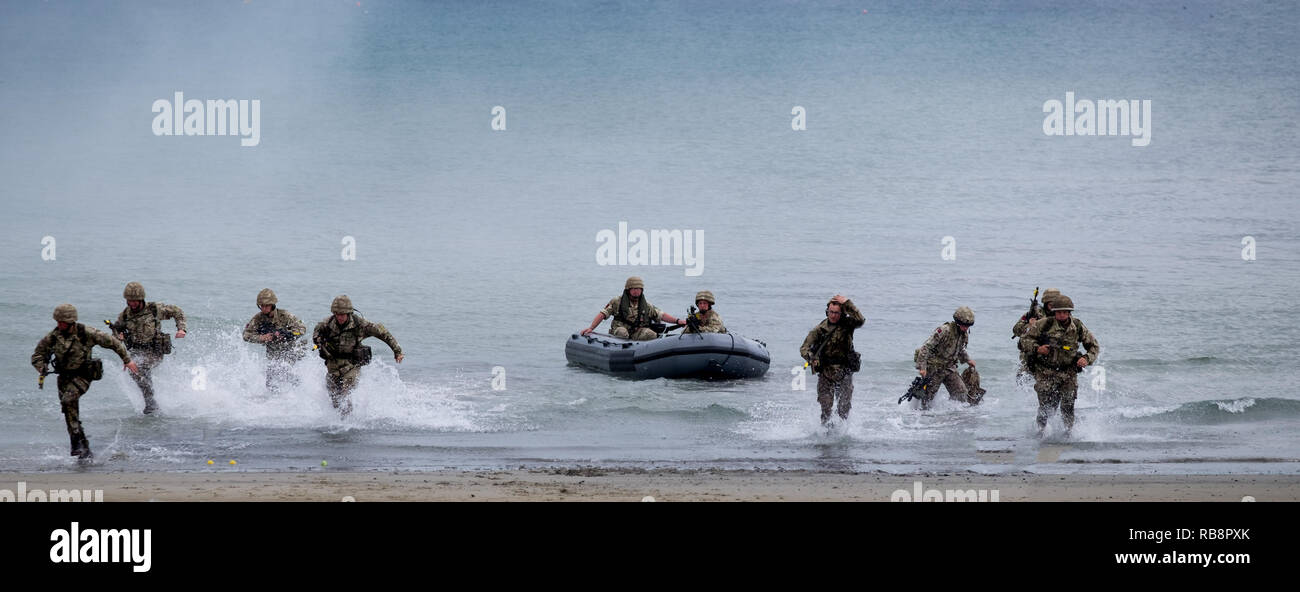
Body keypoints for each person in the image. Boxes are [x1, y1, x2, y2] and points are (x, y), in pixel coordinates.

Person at [32, 304, 139, 459]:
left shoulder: (86, 333)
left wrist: (127, 360)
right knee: (69, 411)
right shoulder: (53, 337)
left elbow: (113, 343)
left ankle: (75, 443)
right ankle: (85, 450)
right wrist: (41, 366)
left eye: (62, 322)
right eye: (57, 321)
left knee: (68, 400)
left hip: (83, 376)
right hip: (63, 378)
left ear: (70, 321)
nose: (59, 325)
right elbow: (37, 355)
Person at [1019, 295, 1101, 437]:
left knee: (1068, 406)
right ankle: (1040, 431)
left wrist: (1086, 359)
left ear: (1069, 313)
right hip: (1045, 371)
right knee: (1046, 407)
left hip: (1068, 372)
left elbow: (1094, 346)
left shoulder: (1078, 326)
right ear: (1054, 312)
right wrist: (1037, 348)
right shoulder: (1044, 324)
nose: (1061, 315)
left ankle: (1069, 432)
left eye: (1064, 312)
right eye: (1058, 312)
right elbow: (1023, 341)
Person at [312, 295, 404, 416]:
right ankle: (338, 421)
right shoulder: (326, 324)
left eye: (342, 314)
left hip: (352, 365)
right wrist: (319, 340)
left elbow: (383, 333)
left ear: (349, 313)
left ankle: (348, 421)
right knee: (333, 395)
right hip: (333, 365)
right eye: (337, 314)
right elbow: (315, 335)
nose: (339, 317)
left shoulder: (361, 324)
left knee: (345, 392)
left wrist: (397, 351)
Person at [109, 281, 185, 414]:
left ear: (141, 299)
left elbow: (177, 312)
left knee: (140, 367)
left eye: (134, 301)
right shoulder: (125, 315)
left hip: (155, 350)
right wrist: (118, 337)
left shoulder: (154, 310)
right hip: (136, 351)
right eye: (129, 300)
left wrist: (181, 329)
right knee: (135, 370)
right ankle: (151, 401)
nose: (131, 303)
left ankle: (151, 402)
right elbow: (115, 332)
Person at [799, 294, 865, 425]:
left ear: (841, 313)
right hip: (826, 373)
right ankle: (825, 437)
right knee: (826, 408)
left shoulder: (847, 325)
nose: (833, 315)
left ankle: (841, 434)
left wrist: (847, 303)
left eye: (836, 313)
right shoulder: (819, 330)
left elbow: (861, 320)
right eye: (831, 312)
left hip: (844, 372)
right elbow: (804, 348)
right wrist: (811, 357)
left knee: (844, 409)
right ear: (827, 312)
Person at [580, 276, 686, 340]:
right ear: (628, 289)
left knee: (651, 334)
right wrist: (591, 328)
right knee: (622, 332)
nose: (636, 291)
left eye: (638, 289)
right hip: (619, 330)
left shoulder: (646, 305)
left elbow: (661, 315)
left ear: (642, 290)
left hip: (636, 332)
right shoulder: (617, 301)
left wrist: (678, 321)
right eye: (634, 288)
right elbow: (603, 314)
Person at [242, 288, 307, 390]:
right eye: (261, 306)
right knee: (271, 382)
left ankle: (298, 394)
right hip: (273, 353)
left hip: (291, 350)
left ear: (272, 305)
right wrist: (261, 338)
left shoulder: (285, 316)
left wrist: (286, 334)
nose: (263, 308)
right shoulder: (258, 319)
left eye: (266, 305)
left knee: (288, 374)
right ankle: (275, 402)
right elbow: (246, 335)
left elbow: (302, 329)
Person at [914, 307, 977, 408]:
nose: (966, 328)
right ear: (957, 321)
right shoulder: (944, 330)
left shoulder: (964, 334)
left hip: (949, 368)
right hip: (934, 369)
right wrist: (922, 368)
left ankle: (954, 417)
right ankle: (923, 419)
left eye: (968, 326)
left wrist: (967, 360)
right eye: (964, 325)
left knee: (961, 394)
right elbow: (926, 347)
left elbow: (960, 349)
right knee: (927, 399)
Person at [1013, 288, 1059, 380]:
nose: (1054, 307)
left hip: (1052, 357)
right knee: (1023, 380)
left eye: (1056, 304)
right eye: (1051, 304)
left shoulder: (1062, 315)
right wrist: (1029, 326)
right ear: (1046, 303)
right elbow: (1016, 330)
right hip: (1031, 356)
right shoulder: (1034, 314)